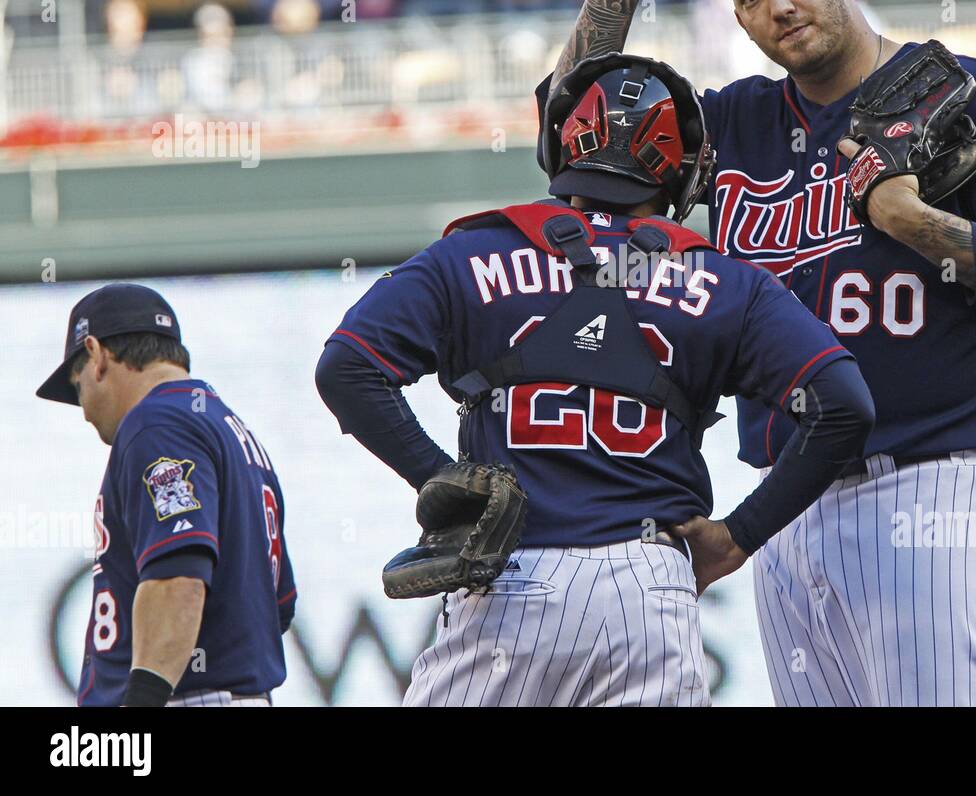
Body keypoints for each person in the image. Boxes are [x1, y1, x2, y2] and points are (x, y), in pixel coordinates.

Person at [538, 0, 976, 706]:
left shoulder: (966, 95)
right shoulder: (733, 124)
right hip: (783, 507)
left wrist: (920, 225)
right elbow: (570, 145)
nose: (777, 8)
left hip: (928, 485)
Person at [316, 53, 876, 707]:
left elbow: (347, 367)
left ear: (562, 146)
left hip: (509, 574)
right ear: (683, 167)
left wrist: (441, 480)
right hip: (647, 588)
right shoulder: (729, 283)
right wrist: (739, 534)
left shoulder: (470, 254)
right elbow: (844, 405)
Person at [37, 283, 297, 706]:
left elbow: (179, 576)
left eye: (77, 383)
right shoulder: (231, 430)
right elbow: (278, 605)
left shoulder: (157, 424)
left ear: (97, 353)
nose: (83, 409)